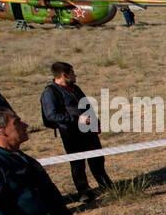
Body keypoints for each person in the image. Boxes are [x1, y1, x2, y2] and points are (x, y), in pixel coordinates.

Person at [39, 62, 112, 202]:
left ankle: (106, 185)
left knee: (97, 159)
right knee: (77, 163)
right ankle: (84, 192)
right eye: (72, 73)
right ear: (64, 75)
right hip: (71, 133)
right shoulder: (50, 92)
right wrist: (77, 119)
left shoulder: (75, 88)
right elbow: (51, 115)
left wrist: (95, 122)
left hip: (88, 131)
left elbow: (87, 106)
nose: (75, 75)